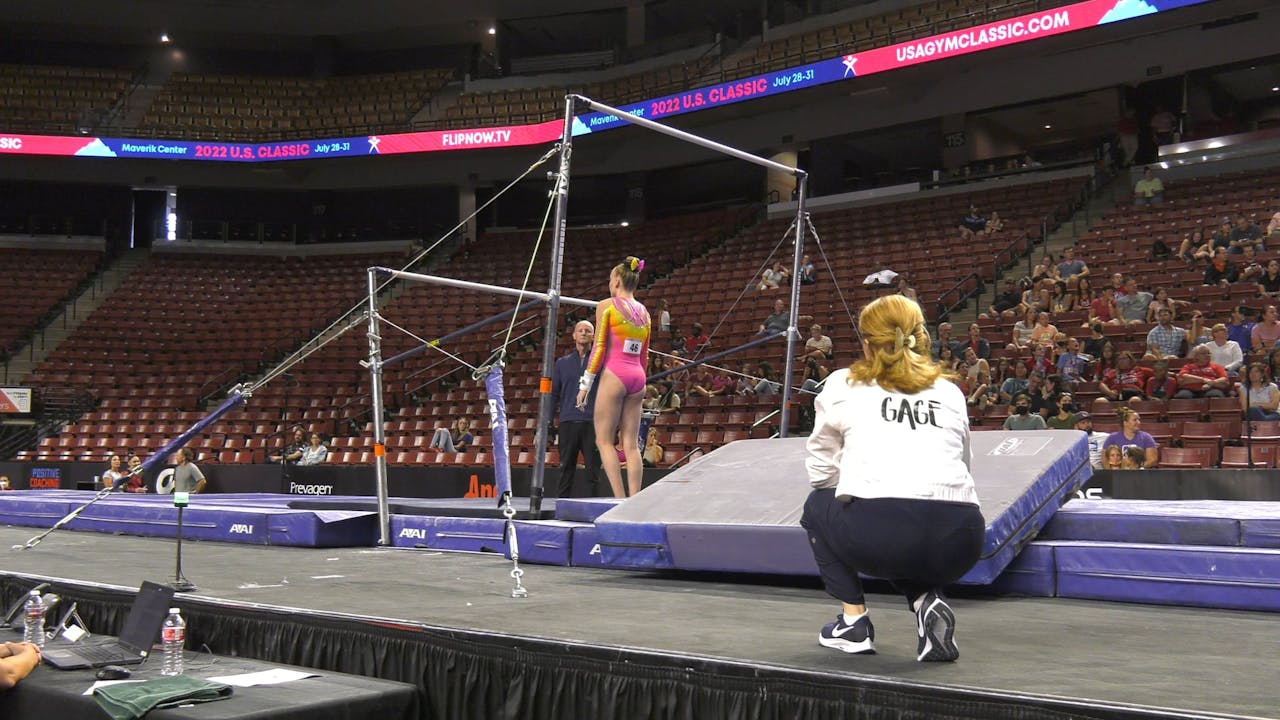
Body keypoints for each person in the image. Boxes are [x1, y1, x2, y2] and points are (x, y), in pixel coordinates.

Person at [801, 294, 983, 662]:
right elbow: (964, 462)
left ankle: (853, 623)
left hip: (884, 531)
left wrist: (851, 482)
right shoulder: (950, 390)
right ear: (921, 336)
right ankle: (924, 599)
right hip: (961, 539)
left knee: (818, 506)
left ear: (866, 344)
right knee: (905, 530)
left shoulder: (843, 383)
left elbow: (820, 469)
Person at [578, 256, 650, 499]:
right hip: (638, 376)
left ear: (617, 281)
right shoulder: (645, 312)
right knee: (630, 444)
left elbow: (598, 348)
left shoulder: (606, 305)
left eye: (610, 279)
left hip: (616, 373)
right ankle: (635, 499)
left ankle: (620, 500)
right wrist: (643, 383)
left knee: (604, 441)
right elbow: (644, 354)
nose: (610, 283)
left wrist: (585, 384)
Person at [552, 320, 603, 498]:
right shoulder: (562, 363)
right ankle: (562, 505)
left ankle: (592, 507)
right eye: (580, 330)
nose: (583, 333)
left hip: (593, 423)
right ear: (573, 335)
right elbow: (553, 394)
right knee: (565, 468)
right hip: (568, 422)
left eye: (587, 331)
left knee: (593, 470)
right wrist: (548, 422)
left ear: (593, 336)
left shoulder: (601, 363)